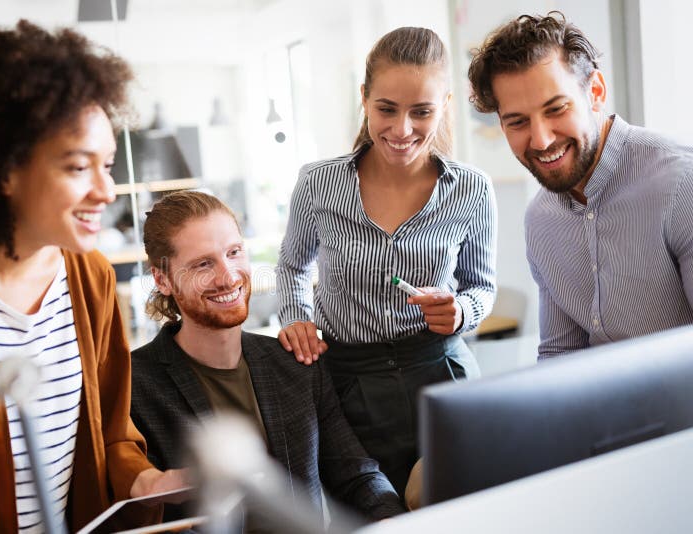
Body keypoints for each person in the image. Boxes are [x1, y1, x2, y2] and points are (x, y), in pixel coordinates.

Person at [0, 21, 184, 533]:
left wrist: (143, 479)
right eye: (77, 167)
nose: (106, 191)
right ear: (1, 169)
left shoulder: (89, 276)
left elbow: (111, 431)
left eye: (107, 165)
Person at [275, 26, 498, 495]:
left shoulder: (472, 189)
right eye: (387, 109)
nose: (402, 130)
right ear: (364, 98)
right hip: (348, 385)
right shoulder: (317, 183)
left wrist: (462, 311)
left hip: (443, 376)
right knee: (371, 511)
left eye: (422, 112)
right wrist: (296, 318)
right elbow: (293, 267)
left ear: (445, 105)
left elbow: (481, 286)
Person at [130, 191, 406, 524]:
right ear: (163, 279)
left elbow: (357, 477)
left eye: (234, 253)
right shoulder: (135, 385)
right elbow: (155, 519)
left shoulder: (296, 364)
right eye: (203, 264)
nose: (229, 277)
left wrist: (395, 522)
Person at [467, 12, 693, 358]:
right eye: (518, 122)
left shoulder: (680, 181)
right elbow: (560, 354)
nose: (541, 140)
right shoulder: (541, 219)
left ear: (596, 91)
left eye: (556, 109)